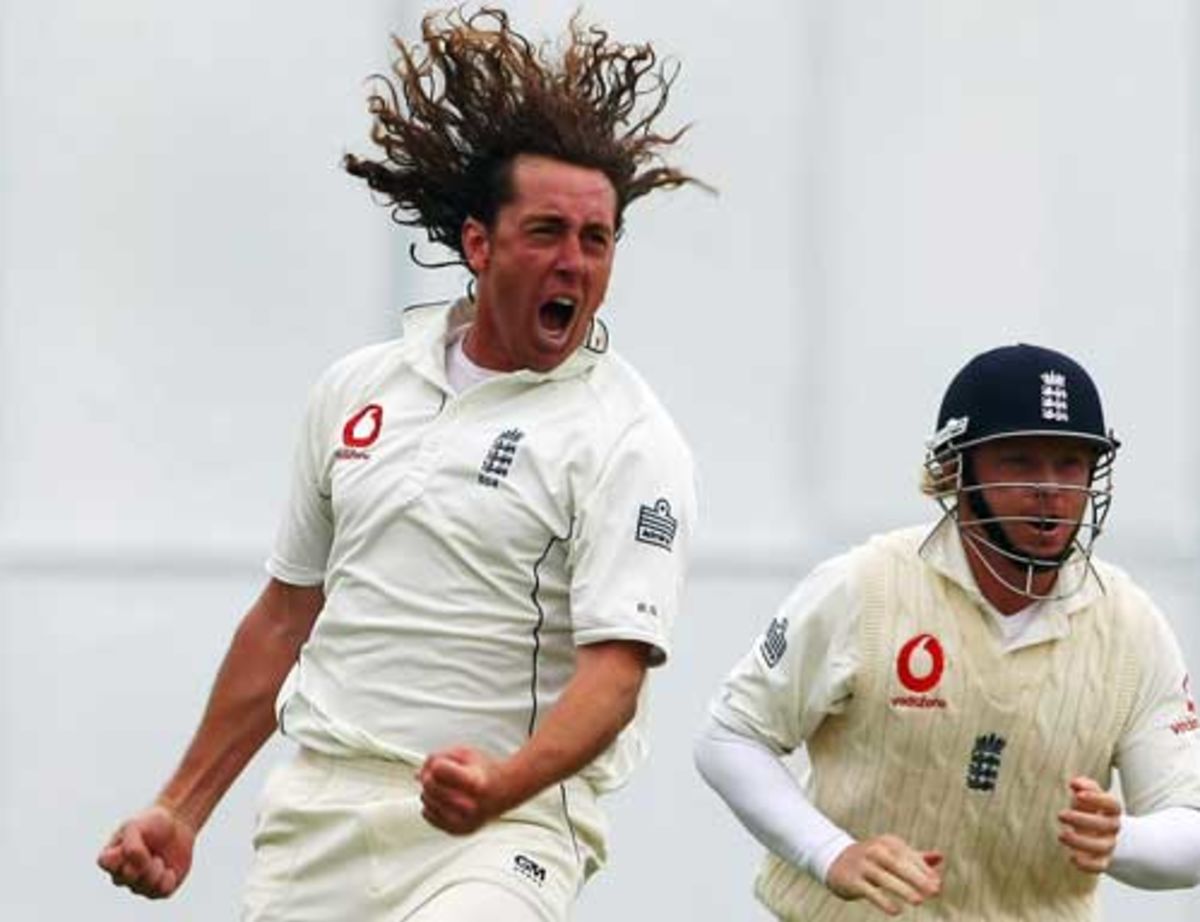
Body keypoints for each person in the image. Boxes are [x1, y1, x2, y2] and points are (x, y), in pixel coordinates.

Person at [97, 8, 700, 920]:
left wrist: (502, 785)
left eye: (596, 239)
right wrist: (181, 808)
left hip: (503, 833)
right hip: (320, 821)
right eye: (546, 233)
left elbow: (614, 677)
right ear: (478, 245)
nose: (573, 262)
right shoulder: (357, 390)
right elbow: (287, 615)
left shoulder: (628, 437)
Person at [695, 343, 1200, 921]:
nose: (1051, 490)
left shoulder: (1130, 626)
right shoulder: (868, 586)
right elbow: (730, 737)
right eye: (1020, 461)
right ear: (954, 471)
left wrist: (1122, 841)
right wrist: (832, 853)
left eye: (1070, 463)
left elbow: (1190, 827)